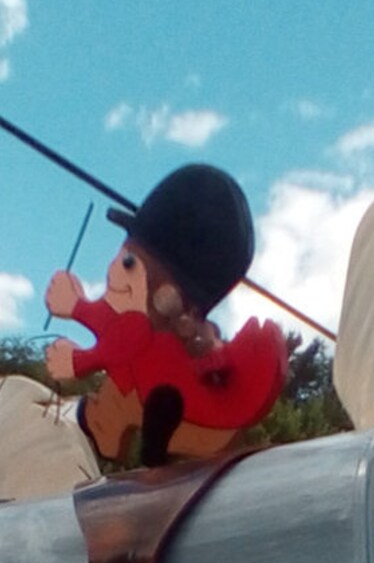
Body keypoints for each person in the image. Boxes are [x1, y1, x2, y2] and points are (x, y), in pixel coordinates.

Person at [44, 164, 288, 466]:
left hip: (158, 404)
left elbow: (116, 344)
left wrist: (77, 357)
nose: (113, 269)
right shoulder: (140, 322)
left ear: (167, 295)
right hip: (147, 398)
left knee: (116, 406)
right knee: (117, 404)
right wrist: (76, 306)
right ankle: (117, 432)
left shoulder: (141, 333)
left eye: (129, 262)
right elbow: (109, 323)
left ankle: (108, 428)